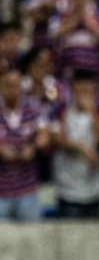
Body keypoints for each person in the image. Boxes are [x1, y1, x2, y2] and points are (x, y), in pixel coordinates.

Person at [50, 69, 99, 218]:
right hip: (67, 189)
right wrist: (81, 148)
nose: (84, 95)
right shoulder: (61, 110)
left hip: (93, 188)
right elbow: (56, 139)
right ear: (73, 90)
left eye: (88, 91)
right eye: (80, 90)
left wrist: (92, 112)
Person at [0, 67, 49, 221]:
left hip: (28, 190)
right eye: (8, 85)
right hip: (2, 192)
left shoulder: (33, 106)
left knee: (33, 233)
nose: (12, 90)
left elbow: (44, 136)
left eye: (16, 85)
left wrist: (32, 148)